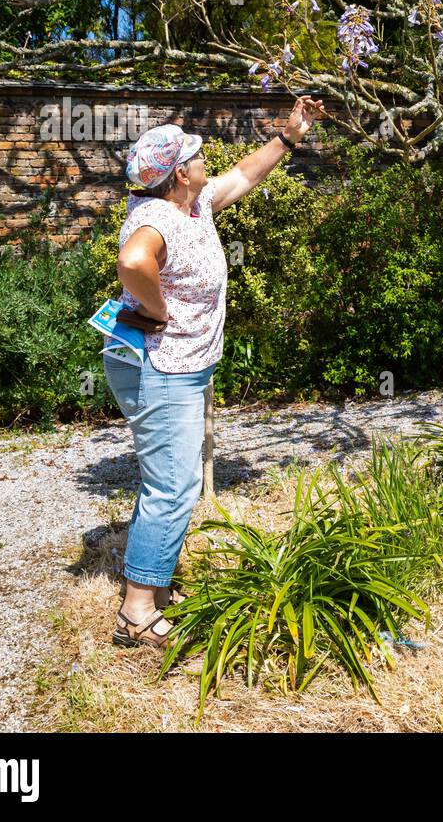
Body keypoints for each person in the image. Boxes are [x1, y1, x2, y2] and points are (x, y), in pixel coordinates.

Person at [104, 95, 324, 650]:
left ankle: (153, 580)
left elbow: (243, 176)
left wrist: (289, 136)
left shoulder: (191, 205)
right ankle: (136, 611)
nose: (208, 161)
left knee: (167, 476)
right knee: (174, 484)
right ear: (179, 173)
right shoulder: (156, 217)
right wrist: (155, 308)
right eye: (198, 156)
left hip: (180, 365)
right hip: (161, 368)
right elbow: (132, 263)